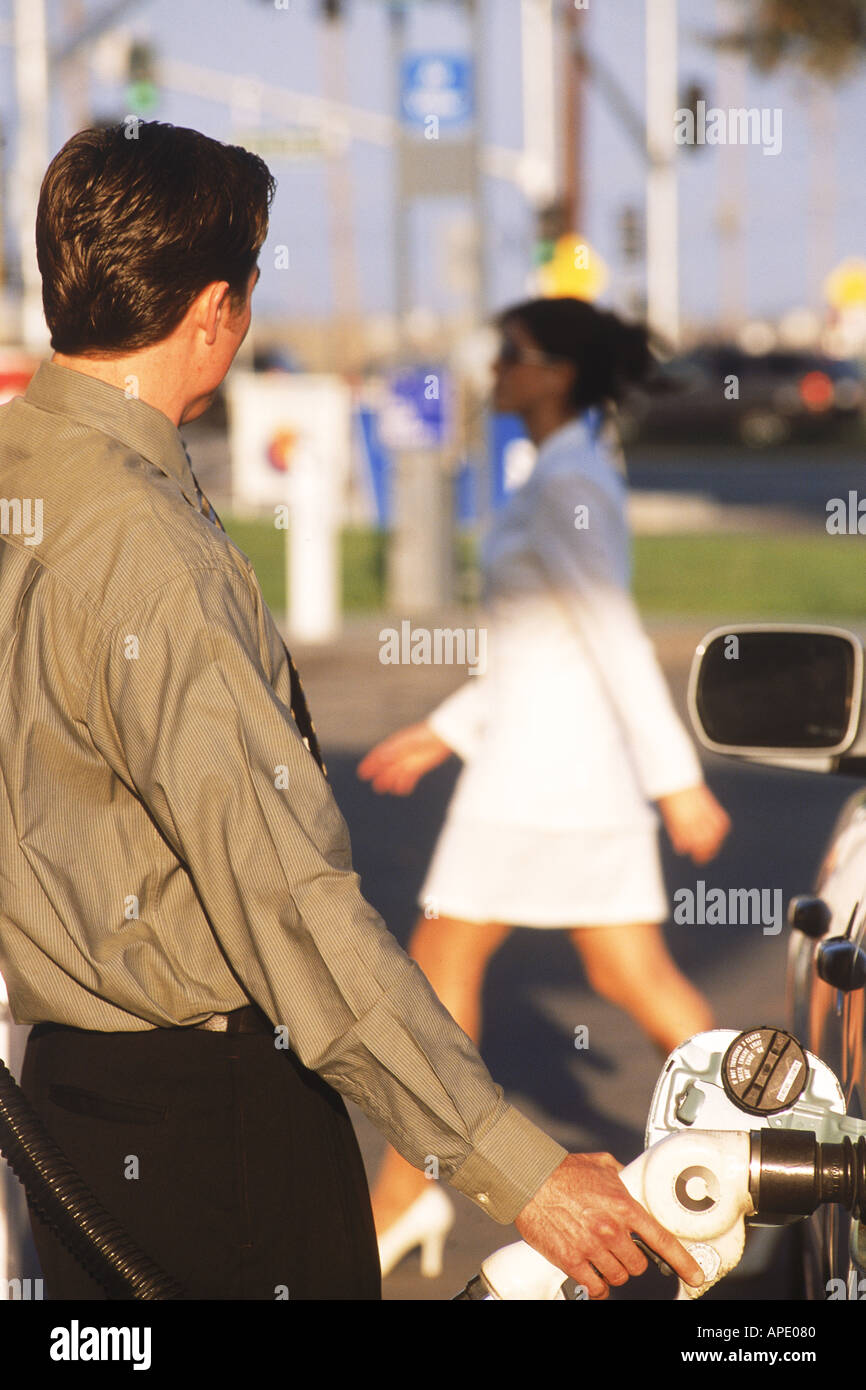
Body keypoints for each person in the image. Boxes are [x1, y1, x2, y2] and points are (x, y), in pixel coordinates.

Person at [0, 121, 704, 1302]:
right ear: (217, 308)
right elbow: (286, 903)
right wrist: (520, 1172)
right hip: (210, 1130)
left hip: (67, 1100)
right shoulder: (148, 550)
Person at [358, 297, 732, 1274]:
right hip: (537, 779)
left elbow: (607, 637)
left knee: (439, 974)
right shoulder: (560, 475)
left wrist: (676, 782)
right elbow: (539, 654)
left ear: (556, 371)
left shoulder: (573, 486)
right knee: (622, 977)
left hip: (542, 791)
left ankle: (402, 1199)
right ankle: (756, 1148)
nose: (494, 371)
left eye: (510, 355)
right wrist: (443, 728)